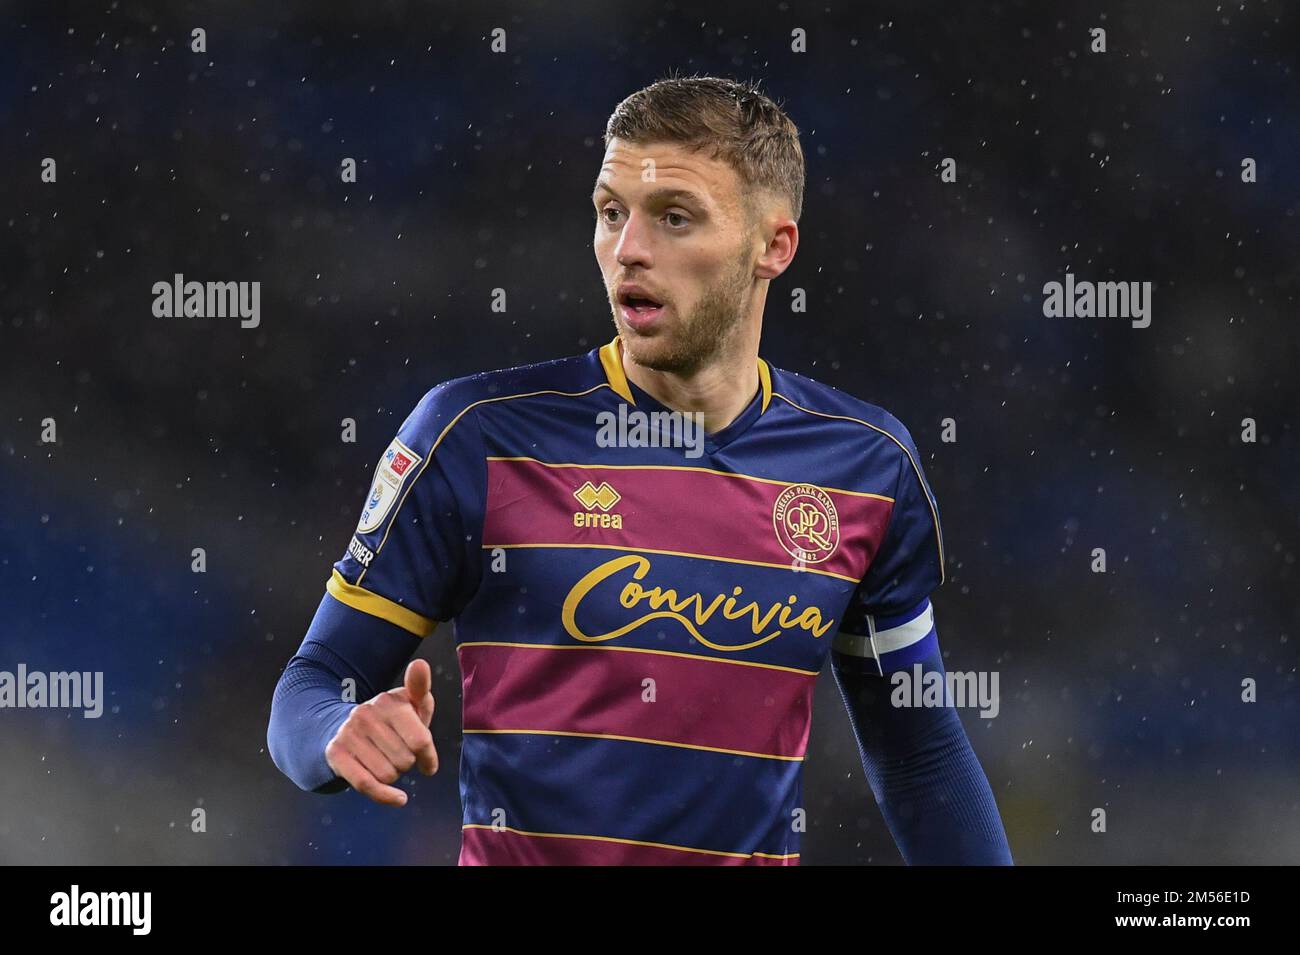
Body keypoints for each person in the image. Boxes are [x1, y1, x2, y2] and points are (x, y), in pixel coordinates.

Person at [268, 74, 1013, 866]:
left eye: (674, 218)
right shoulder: (477, 437)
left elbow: (919, 750)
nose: (629, 249)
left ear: (773, 246)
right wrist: (334, 733)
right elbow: (316, 679)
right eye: (611, 212)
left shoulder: (866, 469)